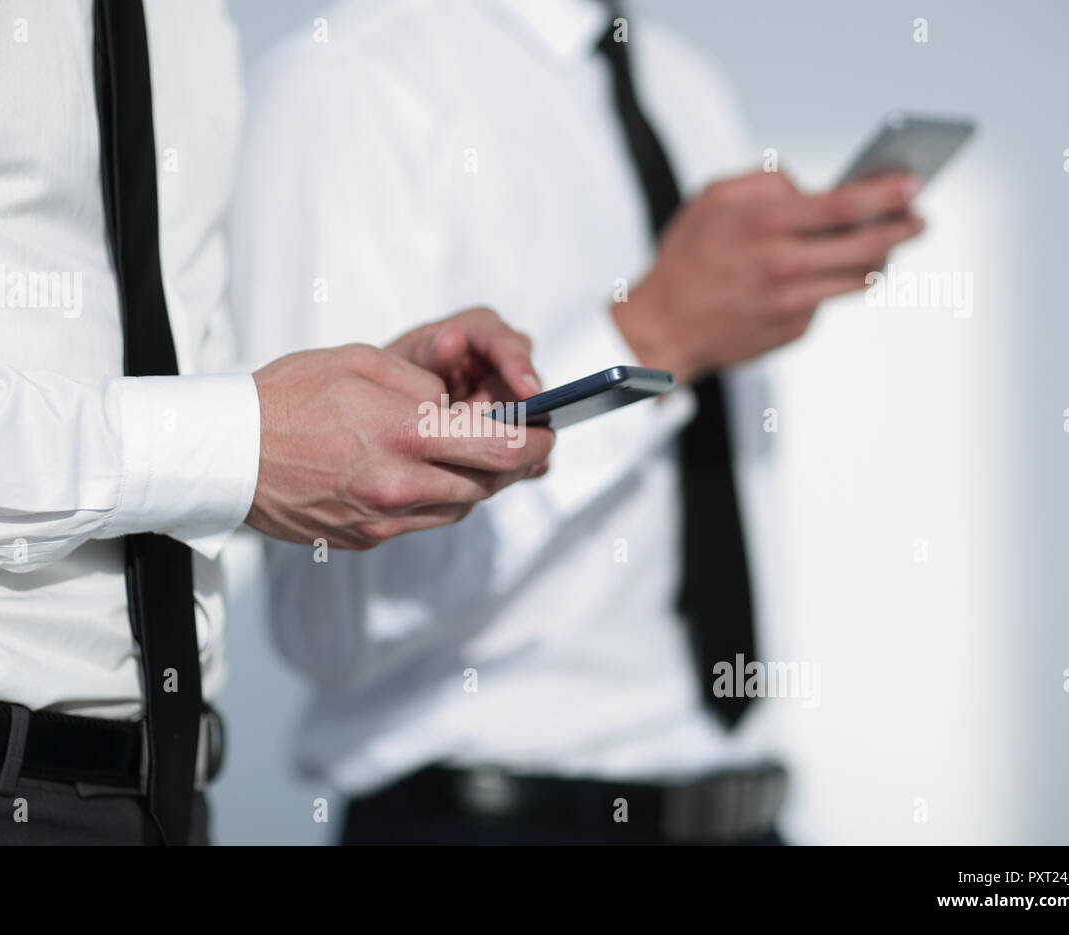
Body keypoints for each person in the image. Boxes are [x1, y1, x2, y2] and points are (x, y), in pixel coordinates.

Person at [0, 0, 551, 845]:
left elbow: (168, 420)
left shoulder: (196, 19)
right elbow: (202, 449)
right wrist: (232, 443)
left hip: (168, 798)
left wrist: (343, 419)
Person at [232, 0, 924, 844]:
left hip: (749, 812)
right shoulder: (349, 82)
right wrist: (651, 339)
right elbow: (327, 617)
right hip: (490, 823)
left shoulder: (685, 85)